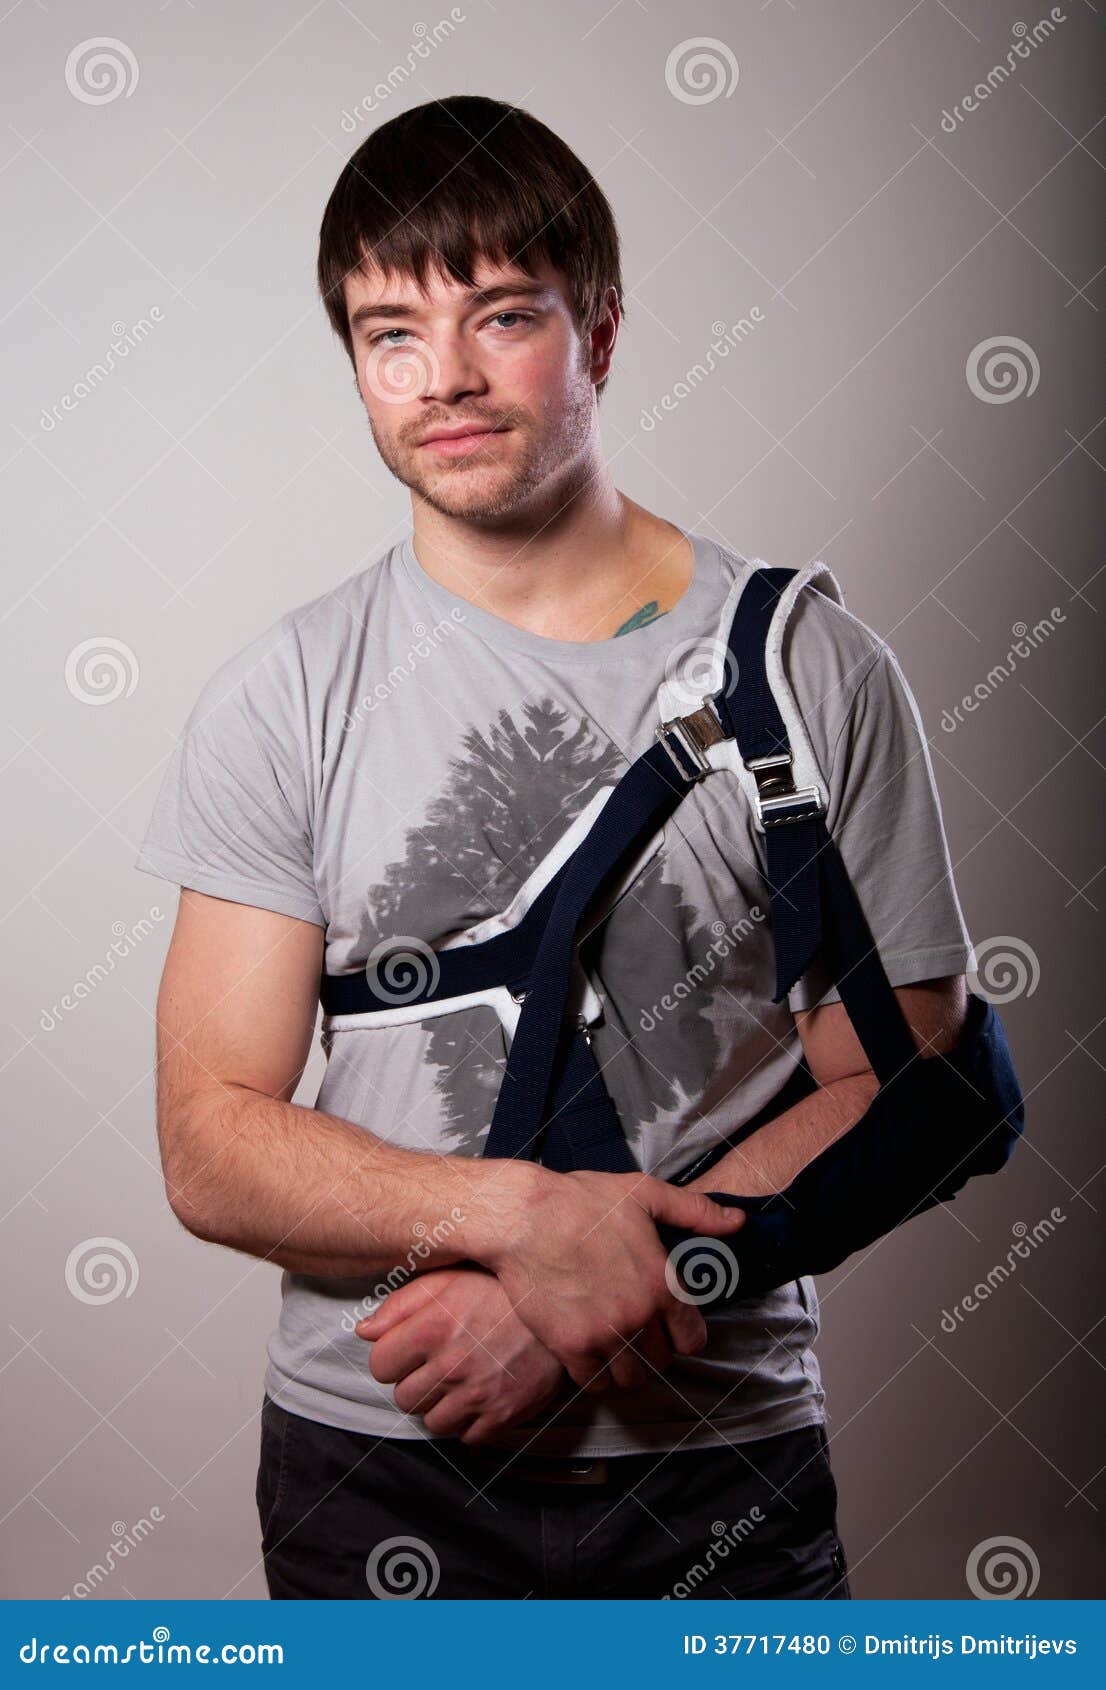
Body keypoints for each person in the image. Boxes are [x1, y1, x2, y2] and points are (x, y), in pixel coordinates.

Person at [135, 94, 979, 1601]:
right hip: (374, 1451)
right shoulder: (288, 692)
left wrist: (582, 1296)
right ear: (353, 364)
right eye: (391, 334)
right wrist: (520, 1221)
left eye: (501, 316)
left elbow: (908, 1082)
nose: (444, 379)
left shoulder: (806, 667)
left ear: (599, 328)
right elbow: (209, 1137)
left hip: (714, 1463)